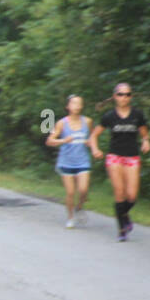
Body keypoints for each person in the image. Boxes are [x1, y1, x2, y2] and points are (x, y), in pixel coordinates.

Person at [90, 82, 150, 241]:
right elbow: (93, 136)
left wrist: (146, 141)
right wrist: (95, 149)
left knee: (131, 196)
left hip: (132, 156)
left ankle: (124, 214)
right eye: (121, 94)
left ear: (131, 97)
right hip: (115, 157)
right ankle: (121, 229)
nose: (124, 97)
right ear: (115, 96)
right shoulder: (109, 116)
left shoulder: (137, 115)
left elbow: (144, 134)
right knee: (120, 193)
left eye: (128, 94)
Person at [45, 94, 92, 227]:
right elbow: (49, 141)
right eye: (73, 103)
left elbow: (93, 137)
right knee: (70, 192)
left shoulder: (87, 121)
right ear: (68, 106)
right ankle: (70, 217)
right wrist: (63, 140)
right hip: (66, 161)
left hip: (83, 161)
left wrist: (90, 143)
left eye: (79, 103)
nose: (76, 106)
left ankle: (79, 207)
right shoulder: (61, 123)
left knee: (83, 190)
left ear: (82, 106)